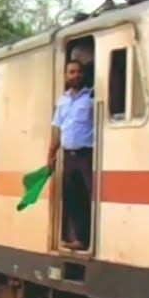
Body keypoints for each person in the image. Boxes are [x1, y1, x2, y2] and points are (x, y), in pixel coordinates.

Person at [47, 59, 95, 251]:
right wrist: (51, 154)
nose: (75, 75)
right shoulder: (62, 101)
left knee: (90, 195)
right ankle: (80, 239)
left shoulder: (91, 98)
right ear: (66, 76)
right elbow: (57, 128)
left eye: (79, 72)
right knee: (74, 198)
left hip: (87, 154)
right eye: (72, 72)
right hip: (68, 155)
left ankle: (92, 237)